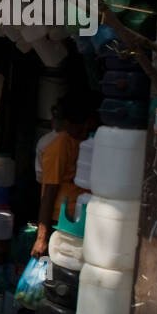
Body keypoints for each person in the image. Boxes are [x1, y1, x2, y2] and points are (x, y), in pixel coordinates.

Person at [31, 91, 96, 258]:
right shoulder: (59, 146)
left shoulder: (85, 142)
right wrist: (41, 238)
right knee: (54, 272)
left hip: (80, 219)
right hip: (60, 221)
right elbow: (49, 192)